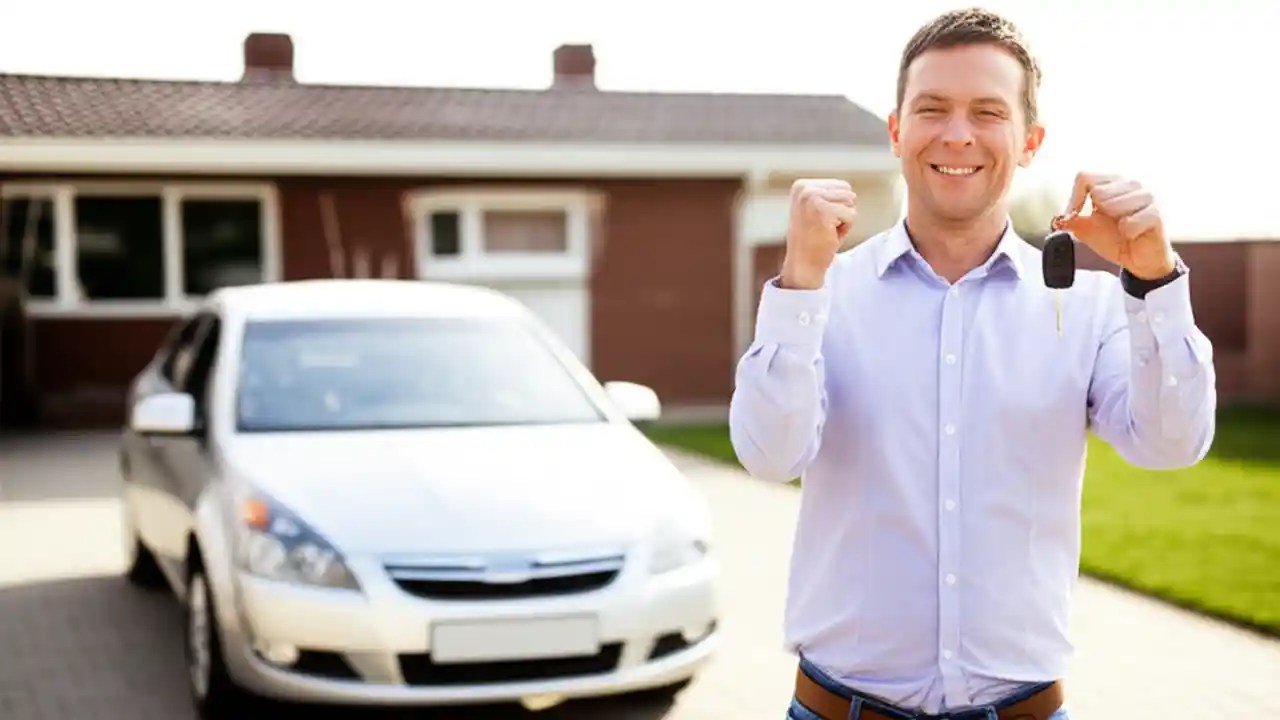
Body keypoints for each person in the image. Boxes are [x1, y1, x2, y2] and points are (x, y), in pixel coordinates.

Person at [728, 7, 1217, 720]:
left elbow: (1173, 443)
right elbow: (769, 455)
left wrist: (1155, 279)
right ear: (897, 131)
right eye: (932, 109)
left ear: (1030, 142)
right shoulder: (819, 294)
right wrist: (800, 284)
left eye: (988, 112)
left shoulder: (1091, 307)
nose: (957, 134)